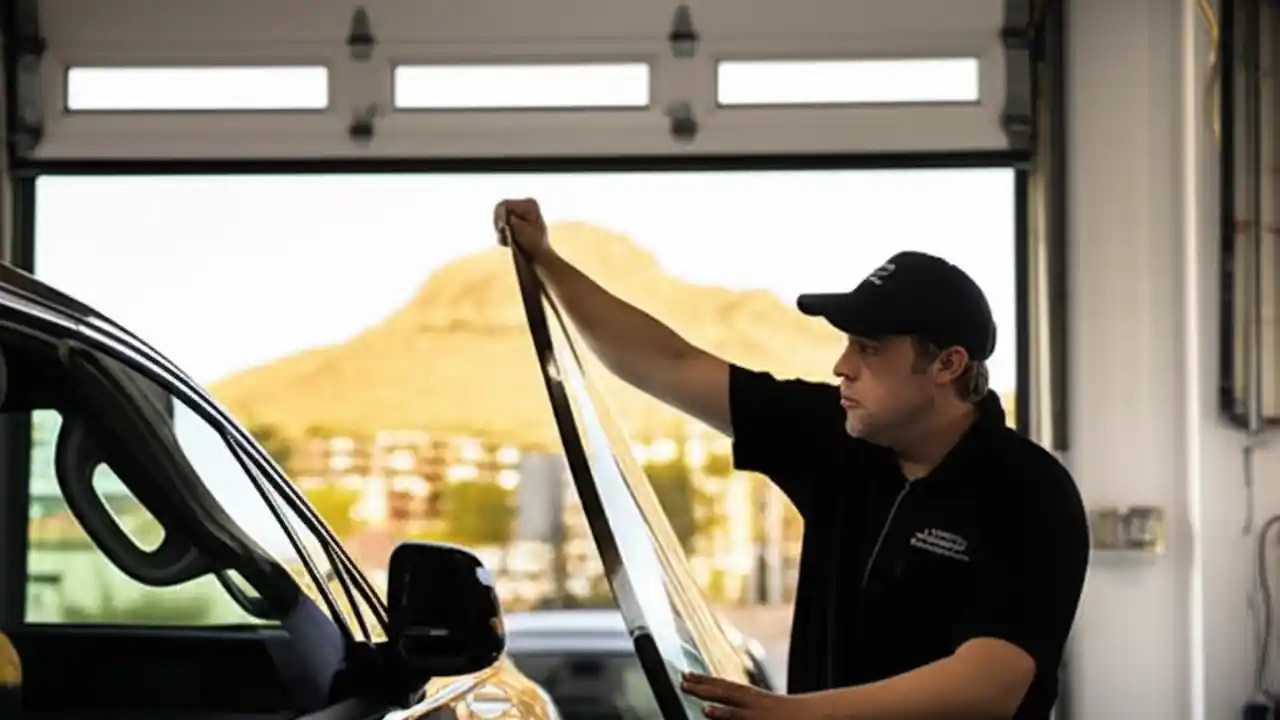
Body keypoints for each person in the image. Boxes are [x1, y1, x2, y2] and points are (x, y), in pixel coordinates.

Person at [494, 198, 1089, 720]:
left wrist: (800, 714)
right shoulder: (838, 437)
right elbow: (667, 363)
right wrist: (546, 260)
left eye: (869, 348)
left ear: (947, 365)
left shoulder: (1028, 490)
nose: (842, 366)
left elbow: (992, 682)